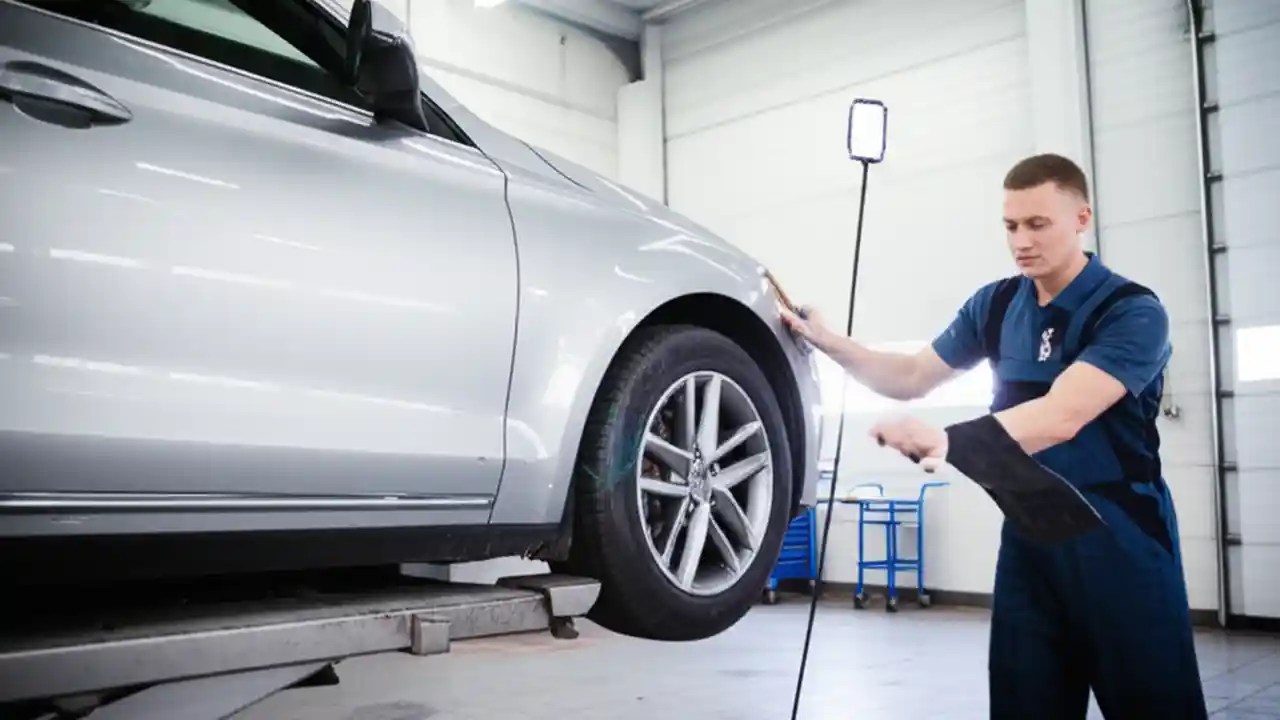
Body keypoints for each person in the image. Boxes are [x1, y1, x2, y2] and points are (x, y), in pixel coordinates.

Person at [780, 153, 1208, 719]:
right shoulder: (998, 303)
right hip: (1032, 536)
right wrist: (828, 341)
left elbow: (1061, 415)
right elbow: (910, 376)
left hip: (1120, 538)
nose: (1021, 241)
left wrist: (949, 442)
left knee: (1156, 705)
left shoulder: (1131, 312)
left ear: (1082, 218)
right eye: (1010, 226)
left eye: (1038, 224)